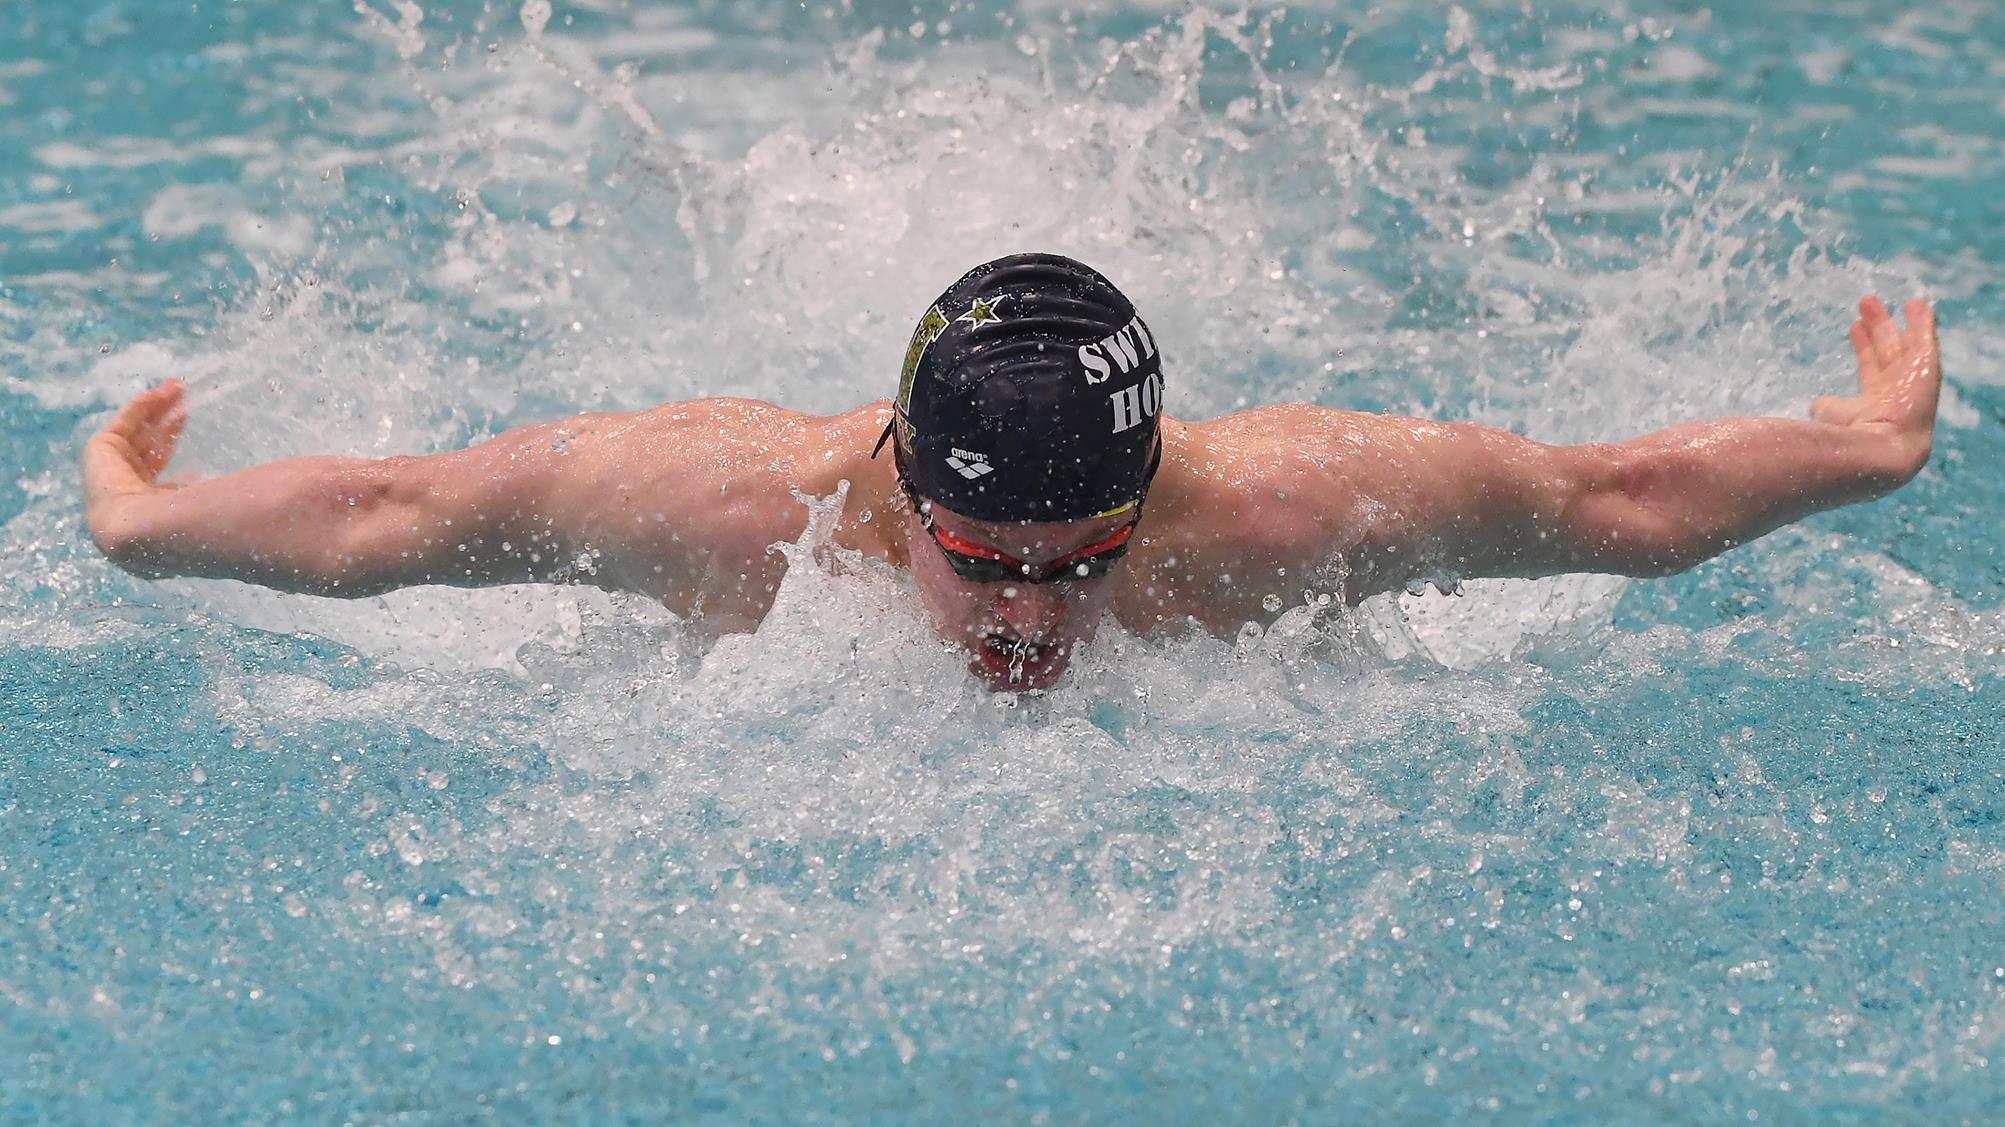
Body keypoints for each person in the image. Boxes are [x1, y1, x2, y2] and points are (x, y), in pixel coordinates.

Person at [81, 253, 1942, 690]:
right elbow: (387, 520)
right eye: (980, 555)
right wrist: (139, 519)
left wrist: (1869, 447)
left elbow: (1616, 507)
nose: (1028, 609)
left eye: (1083, 558)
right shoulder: (725, 509)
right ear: (897, 478)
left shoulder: (1293, 510)